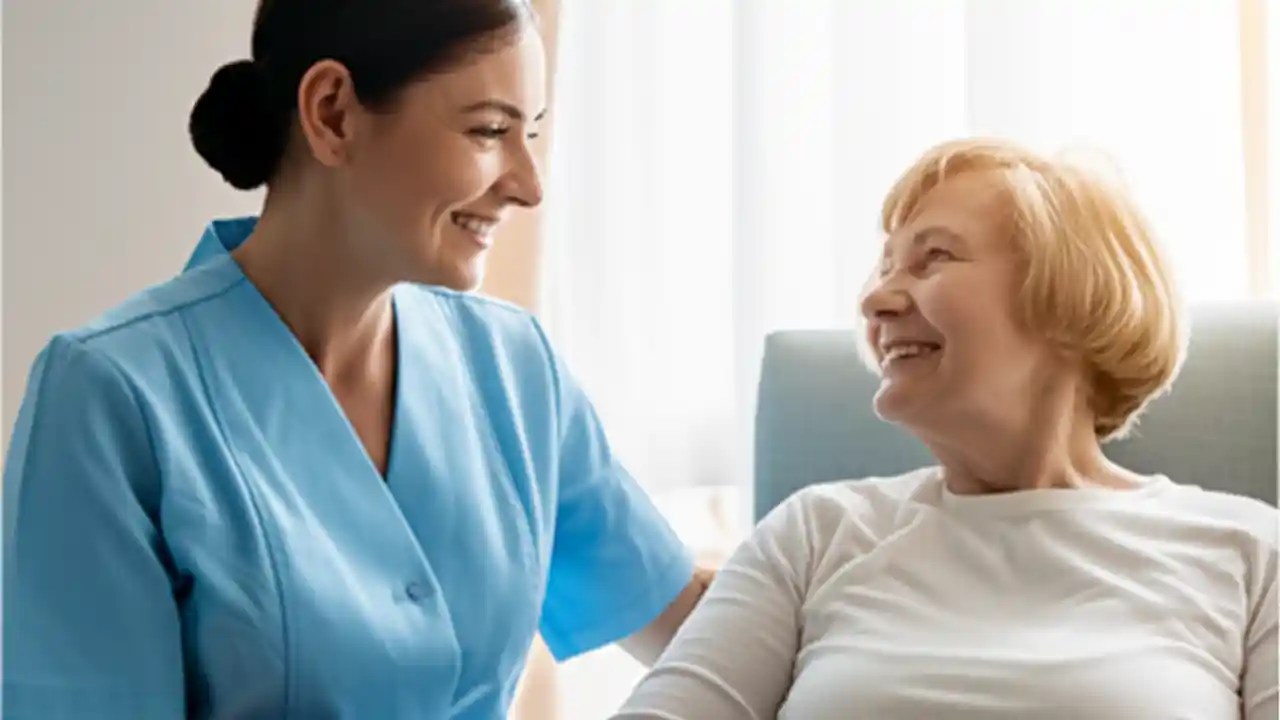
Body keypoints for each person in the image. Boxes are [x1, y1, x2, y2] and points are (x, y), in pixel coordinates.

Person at [2, 2, 712, 718]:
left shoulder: (514, 369)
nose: (529, 186)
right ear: (333, 113)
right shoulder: (110, 396)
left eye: (529, 134)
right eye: (490, 132)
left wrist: (794, 547)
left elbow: (696, 628)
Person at [613, 138, 1278, 719]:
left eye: (932, 258)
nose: (875, 300)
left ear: (1071, 296)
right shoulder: (815, 534)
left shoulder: (1248, 551)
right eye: (884, 268)